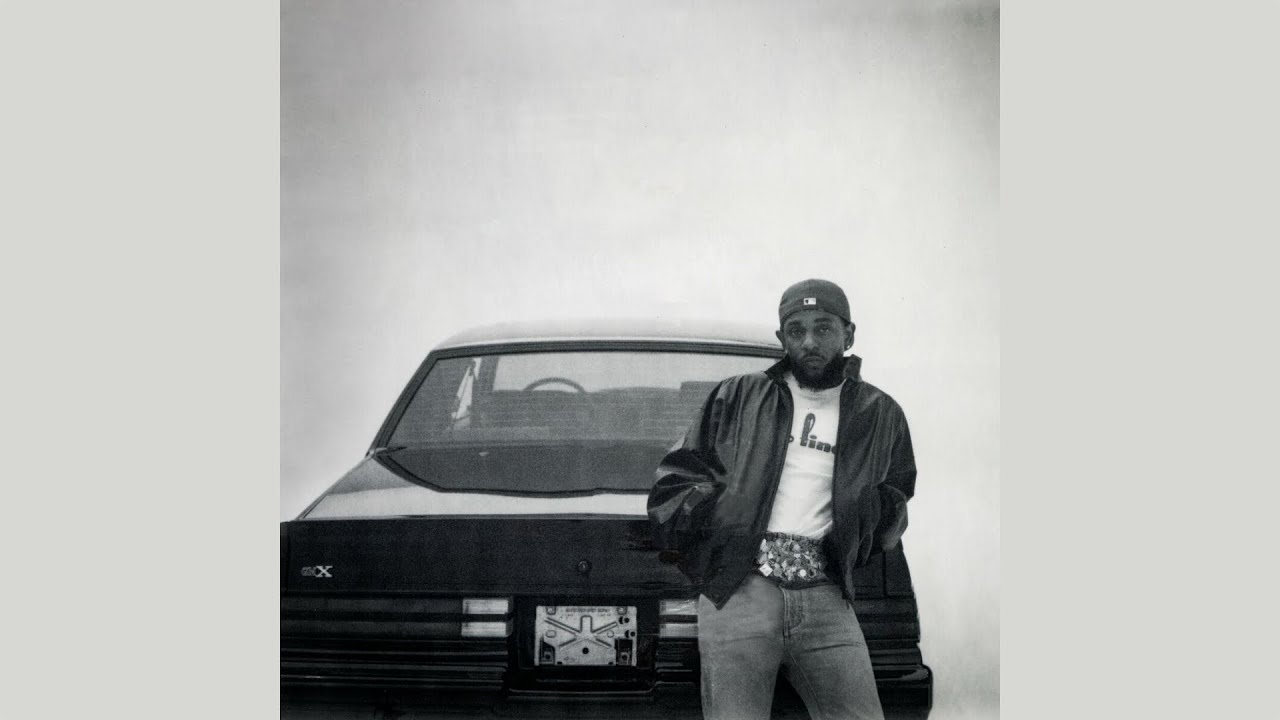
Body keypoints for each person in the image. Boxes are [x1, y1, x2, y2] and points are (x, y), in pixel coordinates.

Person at [647, 278, 916, 720]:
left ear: (849, 334)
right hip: (741, 591)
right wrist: (726, 535)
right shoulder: (737, 395)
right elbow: (674, 483)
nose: (809, 341)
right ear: (781, 338)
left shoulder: (881, 413)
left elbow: (897, 493)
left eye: (823, 328)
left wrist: (859, 536)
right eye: (796, 330)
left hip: (826, 594)